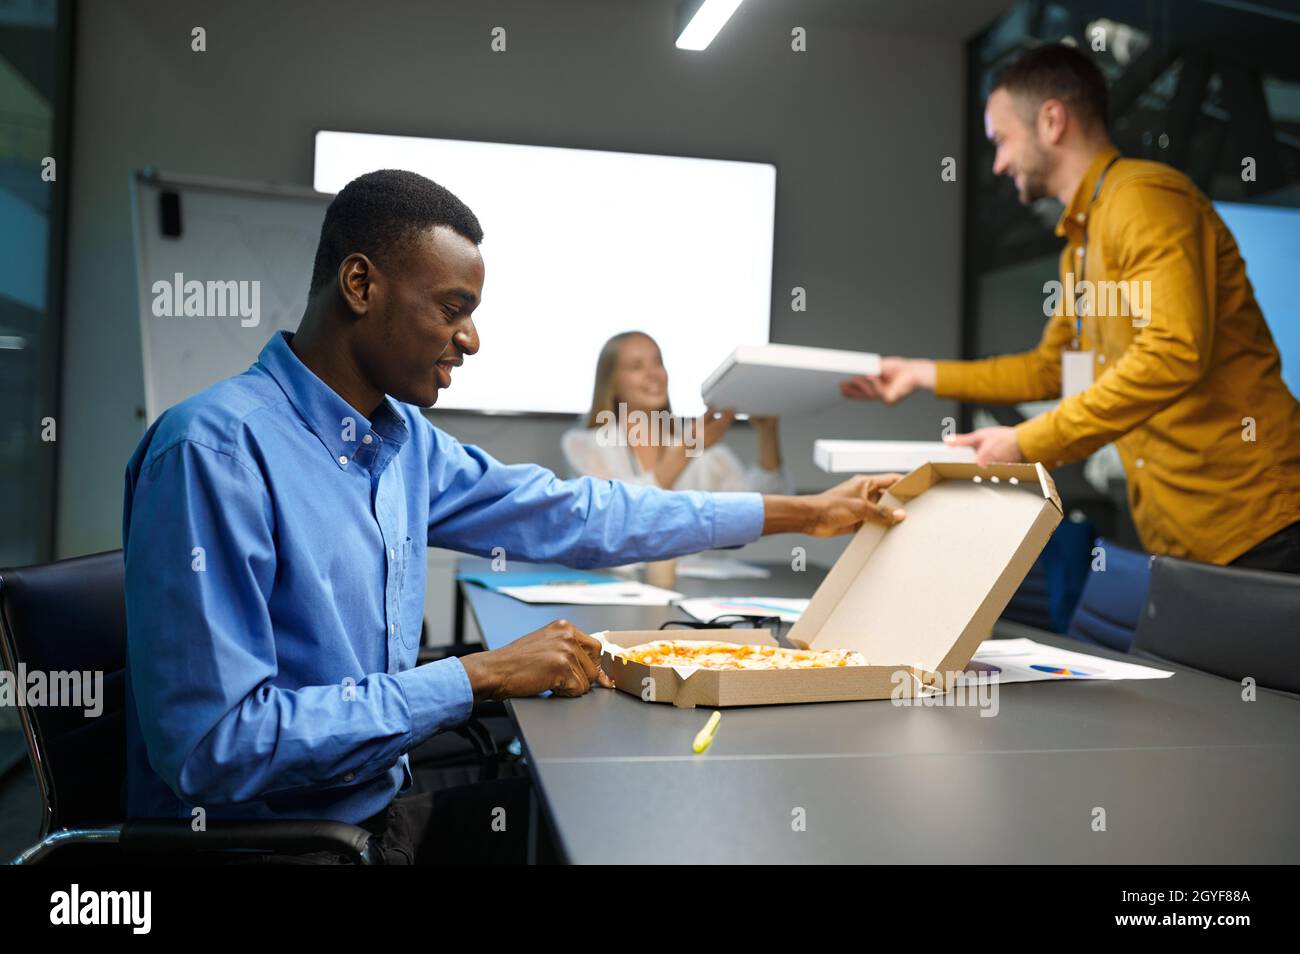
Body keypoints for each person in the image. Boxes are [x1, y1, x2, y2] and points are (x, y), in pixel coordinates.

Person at [122, 169, 905, 864]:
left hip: (371, 814)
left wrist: (802, 513)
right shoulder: (213, 452)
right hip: (279, 848)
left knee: (620, 818)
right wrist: (478, 676)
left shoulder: (404, 444)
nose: (470, 338)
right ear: (361, 285)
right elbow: (214, 747)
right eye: (453, 308)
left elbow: (576, 514)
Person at [842, 43, 1300, 574]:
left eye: (1001, 140)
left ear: (1052, 121)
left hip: (1262, 522)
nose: (999, 163)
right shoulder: (1079, 247)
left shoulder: (1143, 200)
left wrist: (1026, 441)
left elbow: (1174, 352)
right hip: (1188, 540)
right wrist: (921, 373)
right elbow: (1053, 370)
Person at [563, 331, 794, 493]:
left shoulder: (709, 455)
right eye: (636, 366)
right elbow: (617, 511)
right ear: (611, 383)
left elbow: (758, 505)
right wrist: (688, 449)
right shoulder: (585, 448)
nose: (653, 374)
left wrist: (768, 432)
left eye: (658, 362)